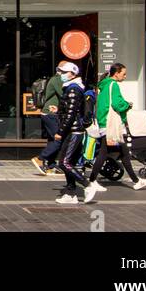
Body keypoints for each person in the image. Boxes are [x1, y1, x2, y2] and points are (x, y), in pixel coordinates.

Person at [87, 63, 146, 194]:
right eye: (123, 73)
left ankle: (136, 181)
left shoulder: (104, 85)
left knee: (122, 153)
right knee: (106, 153)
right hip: (111, 124)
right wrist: (127, 105)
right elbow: (117, 104)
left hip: (105, 122)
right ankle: (92, 181)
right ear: (116, 73)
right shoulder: (113, 85)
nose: (125, 76)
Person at [54, 63, 93, 204]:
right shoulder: (72, 88)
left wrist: (60, 131)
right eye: (59, 71)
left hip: (74, 131)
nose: (60, 74)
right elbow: (69, 111)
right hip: (73, 130)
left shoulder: (73, 89)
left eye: (63, 72)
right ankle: (71, 194)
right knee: (68, 162)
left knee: (64, 163)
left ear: (72, 74)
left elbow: (70, 114)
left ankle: (88, 185)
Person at [31, 61, 70, 175]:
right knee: (59, 139)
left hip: (49, 113)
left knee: (52, 140)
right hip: (50, 113)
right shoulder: (57, 79)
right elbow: (63, 95)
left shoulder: (57, 79)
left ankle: (51, 165)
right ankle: (40, 159)